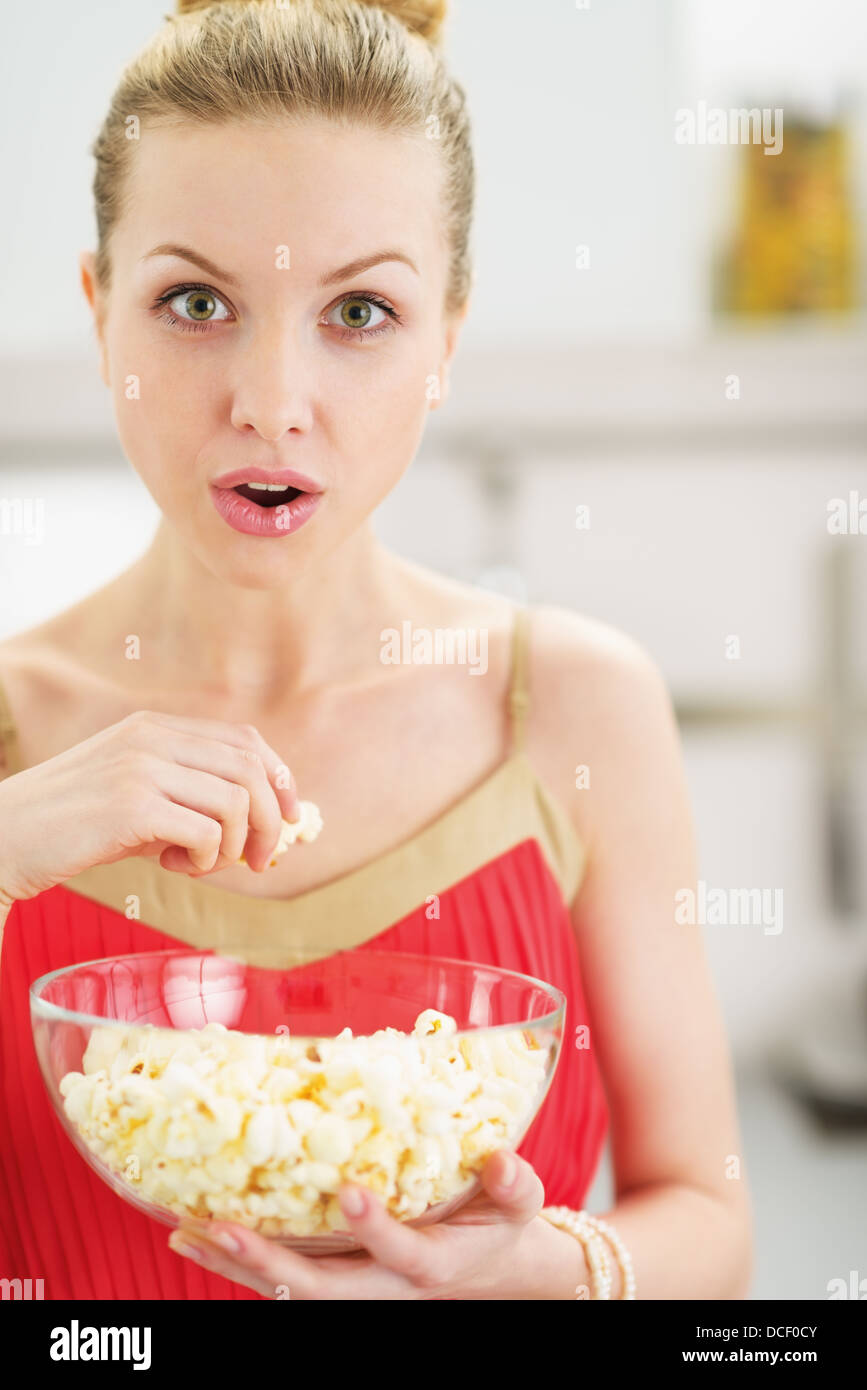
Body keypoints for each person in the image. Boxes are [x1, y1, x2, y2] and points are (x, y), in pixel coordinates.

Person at [0, 0, 753, 1300]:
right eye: (193, 301)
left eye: (358, 313)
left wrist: (547, 1273)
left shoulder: (574, 710)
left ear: (448, 337)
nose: (272, 403)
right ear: (99, 308)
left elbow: (709, 1218)